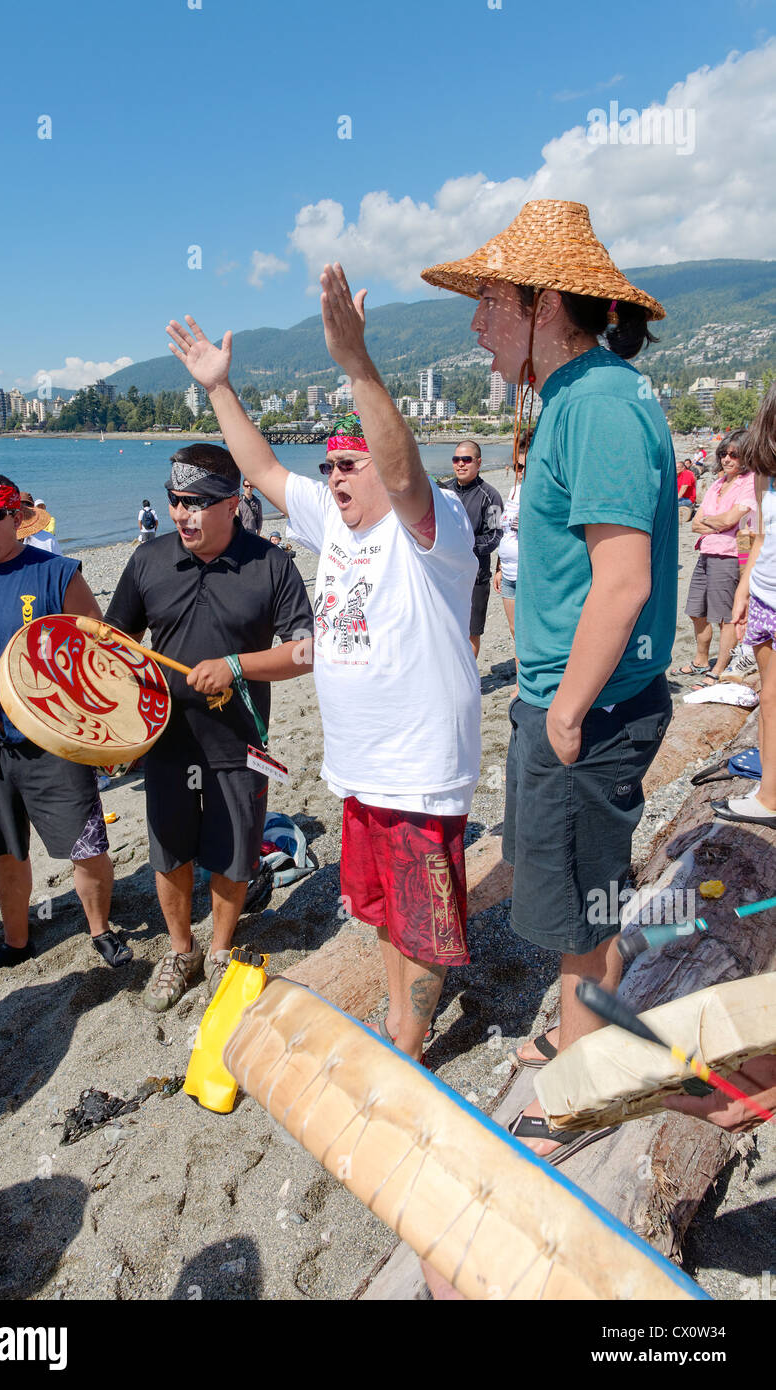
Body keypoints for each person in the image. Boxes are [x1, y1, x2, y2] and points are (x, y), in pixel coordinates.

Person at [166, 265, 481, 1063]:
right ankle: (400, 1022)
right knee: (380, 913)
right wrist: (219, 390)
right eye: (331, 466)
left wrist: (356, 364)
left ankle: (410, 1040)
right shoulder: (332, 525)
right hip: (360, 769)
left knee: (421, 919)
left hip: (416, 769)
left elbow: (405, 471)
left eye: (350, 464)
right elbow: (265, 469)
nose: (335, 476)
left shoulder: (429, 527)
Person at [422, 199, 676, 1159]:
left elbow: (625, 579)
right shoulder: (579, 396)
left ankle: (573, 1096)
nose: (477, 324)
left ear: (545, 303)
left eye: (490, 302)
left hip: (592, 705)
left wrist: (565, 711)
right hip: (569, 697)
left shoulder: (602, 405)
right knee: (567, 887)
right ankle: (581, 1033)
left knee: (578, 904)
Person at [105, 444, 313, 1011]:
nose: (181, 515)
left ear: (233, 502)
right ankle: (181, 949)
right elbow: (113, 643)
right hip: (165, 740)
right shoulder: (148, 562)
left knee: (234, 850)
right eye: (175, 502)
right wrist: (110, 727)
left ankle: (220, 947)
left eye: (196, 503)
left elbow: (304, 652)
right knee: (170, 851)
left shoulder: (272, 564)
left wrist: (236, 665)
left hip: (240, 740)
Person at [0, 470, 127, 984]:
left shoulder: (57, 573)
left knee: (86, 844)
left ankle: (100, 929)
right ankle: (17, 941)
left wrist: (113, 734)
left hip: (50, 740)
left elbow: (106, 652)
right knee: (6, 849)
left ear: (17, 516)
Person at [712, 386, 776, 826]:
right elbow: (762, 535)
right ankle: (768, 793)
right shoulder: (765, 472)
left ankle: (769, 799)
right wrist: (745, 590)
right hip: (767, 594)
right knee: (769, 699)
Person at [674, 430, 756, 685]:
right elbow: (696, 524)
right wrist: (716, 523)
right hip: (706, 550)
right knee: (695, 610)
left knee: (724, 616)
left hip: (730, 554)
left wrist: (715, 522)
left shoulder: (751, 482)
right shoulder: (719, 484)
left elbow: (732, 520)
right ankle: (701, 660)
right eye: (724, 454)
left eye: (734, 455)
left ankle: (720, 667)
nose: (727, 459)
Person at [441, 442, 502, 657]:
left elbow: (495, 536)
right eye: (456, 459)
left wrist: (464, 545)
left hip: (475, 577)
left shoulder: (491, 496)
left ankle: (468, 680)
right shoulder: (442, 491)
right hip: (444, 576)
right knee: (443, 631)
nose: (460, 464)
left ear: (478, 463)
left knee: (470, 633)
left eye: (466, 460)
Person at [492, 428, 532, 689]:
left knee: (532, 632)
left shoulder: (546, 492)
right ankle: (522, 683)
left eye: (526, 466)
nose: (521, 472)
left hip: (532, 573)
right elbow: (503, 531)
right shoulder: (513, 491)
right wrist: (497, 566)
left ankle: (535, 681)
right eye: (518, 466)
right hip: (508, 571)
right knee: (515, 631)